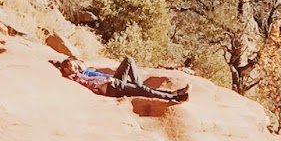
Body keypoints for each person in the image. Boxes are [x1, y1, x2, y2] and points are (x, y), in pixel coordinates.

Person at [57, 57, 189, 103]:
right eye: (72, 67)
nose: (75, 68)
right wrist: (103, 81)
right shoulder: (75, 76)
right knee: (142, 89)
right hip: (111, 86)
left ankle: (140, 89)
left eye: (74, 65)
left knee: (128, 61)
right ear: (67, 70)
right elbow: (88, 83)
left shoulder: (80, 71)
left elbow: (68, 64)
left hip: (113, 81)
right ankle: (174, 96)